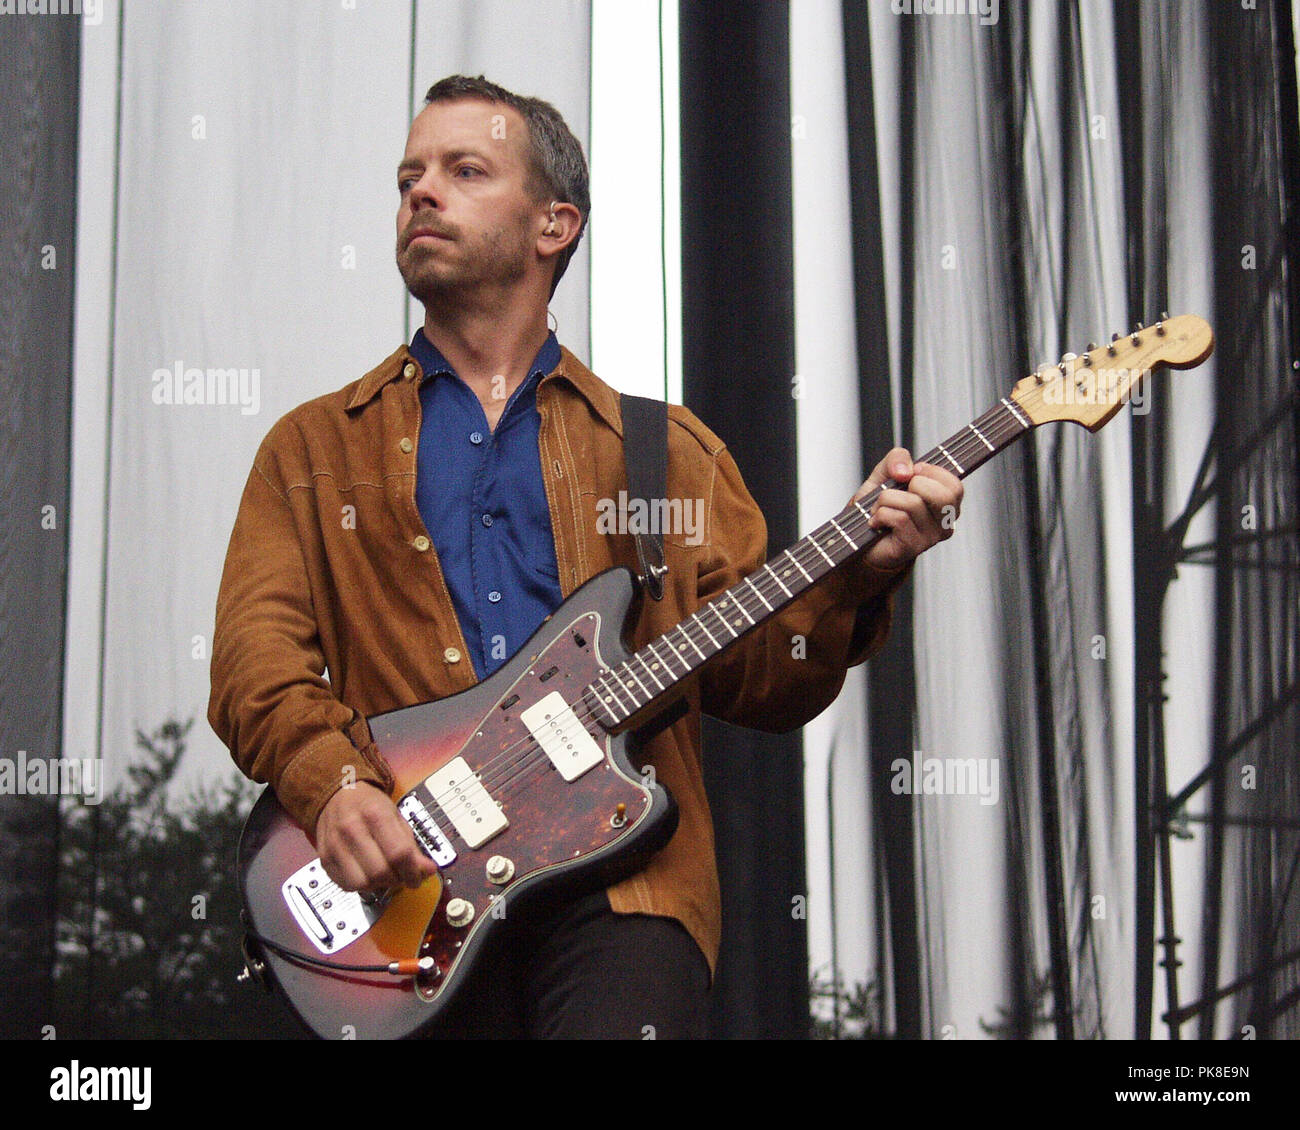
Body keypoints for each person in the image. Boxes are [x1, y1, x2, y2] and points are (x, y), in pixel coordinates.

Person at [208, 74, 963, 1039]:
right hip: (401, 889)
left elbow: (767, 680)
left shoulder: (663, 450)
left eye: (463, 170)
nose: (420, 194)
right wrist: (334, 781)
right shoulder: (313, 450)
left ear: (553, 224)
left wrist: (861, 571)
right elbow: (252, 659)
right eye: (409, 177)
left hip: (625, 890)